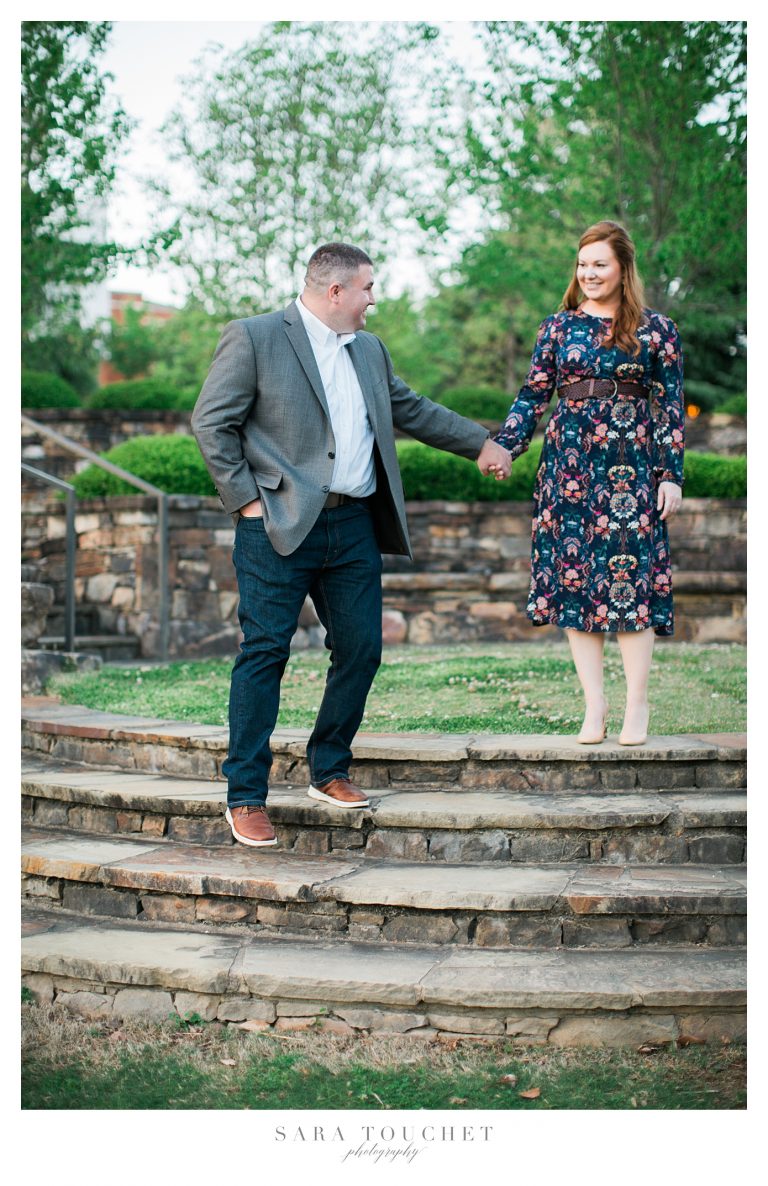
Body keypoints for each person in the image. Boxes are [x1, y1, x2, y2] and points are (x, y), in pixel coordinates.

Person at [192, 242, 512, 847]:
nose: (373, 301)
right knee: (265, 652)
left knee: (363, 647)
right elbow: (212, 422)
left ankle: (329, 768)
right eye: (368, 289)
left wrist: (480, 443)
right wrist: (247, 502)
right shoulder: (256, 337)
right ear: (335, 291)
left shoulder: (368, 349)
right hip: (277, 524)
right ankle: (246, 796)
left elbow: (409, 408)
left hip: (353, 526)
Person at [490, 220, 684, 746]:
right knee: (575, 584)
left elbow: (668, 406)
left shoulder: (656, 330)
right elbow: (532, 396)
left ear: (623, 268)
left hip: (630, 466)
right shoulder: (557, 328)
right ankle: (594, 705)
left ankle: (637, 704)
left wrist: (671, 475)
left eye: (600, 263)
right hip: (568, 466)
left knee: (629, 585)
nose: (589, 273)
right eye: (583, 264)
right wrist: (504, 445)